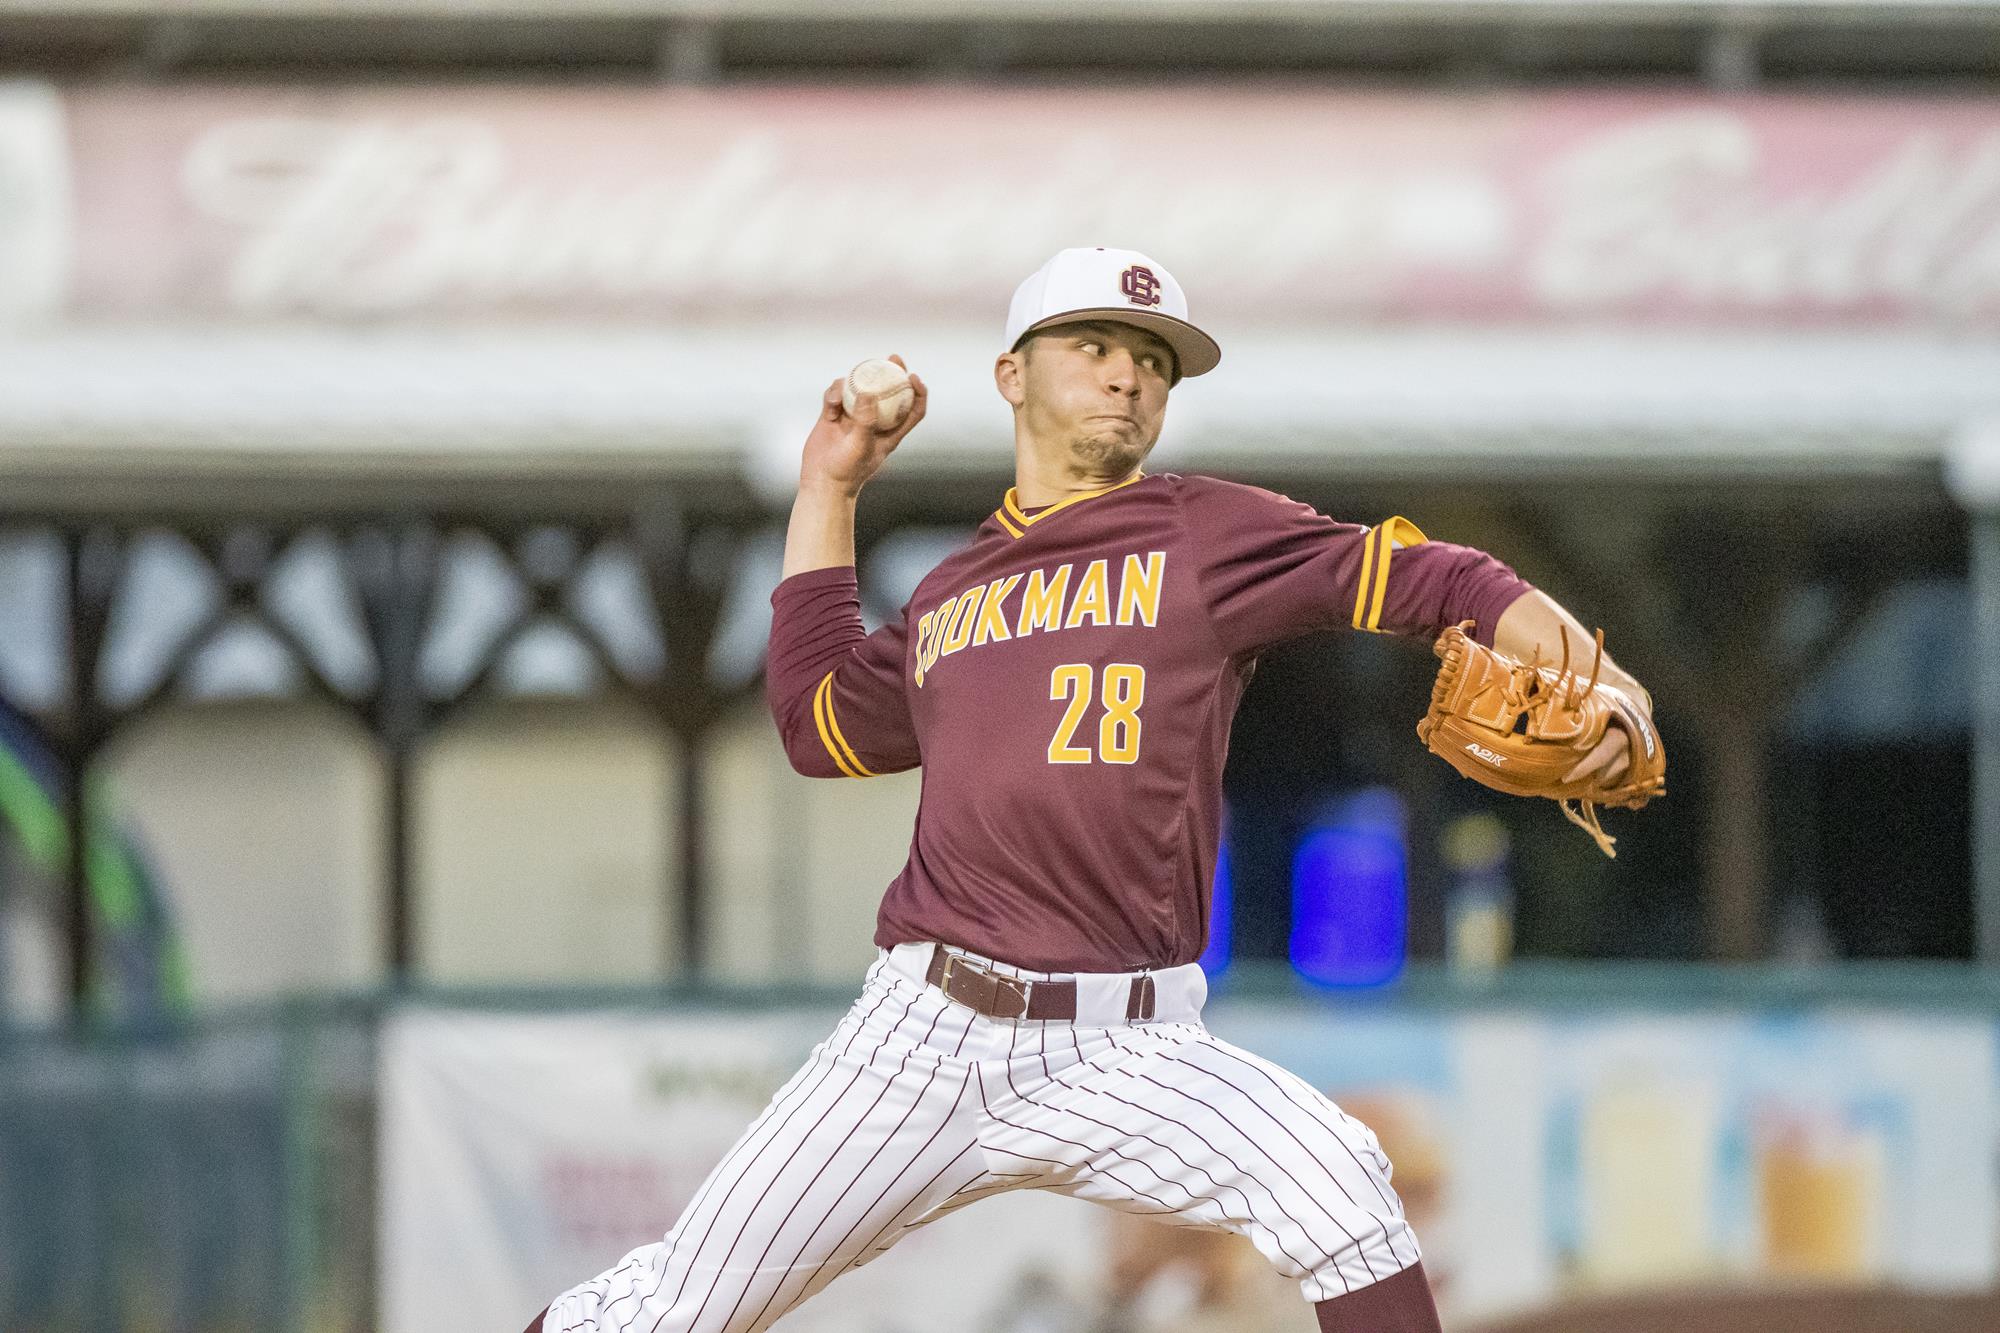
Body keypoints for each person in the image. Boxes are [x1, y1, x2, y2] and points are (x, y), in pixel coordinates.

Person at [526, 246, 1649, 1333]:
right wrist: (830, 485)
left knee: (1339, 1182)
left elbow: (1442, 578)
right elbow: (817, 723)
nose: (1128, 375)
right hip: (919, 1036)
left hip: (1128, 1042)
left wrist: (1613, 690)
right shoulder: (951, 593)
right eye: (1095, 346)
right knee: (667, 1308)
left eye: (1154, 359)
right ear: (1011, 375)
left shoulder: (1202, 531)